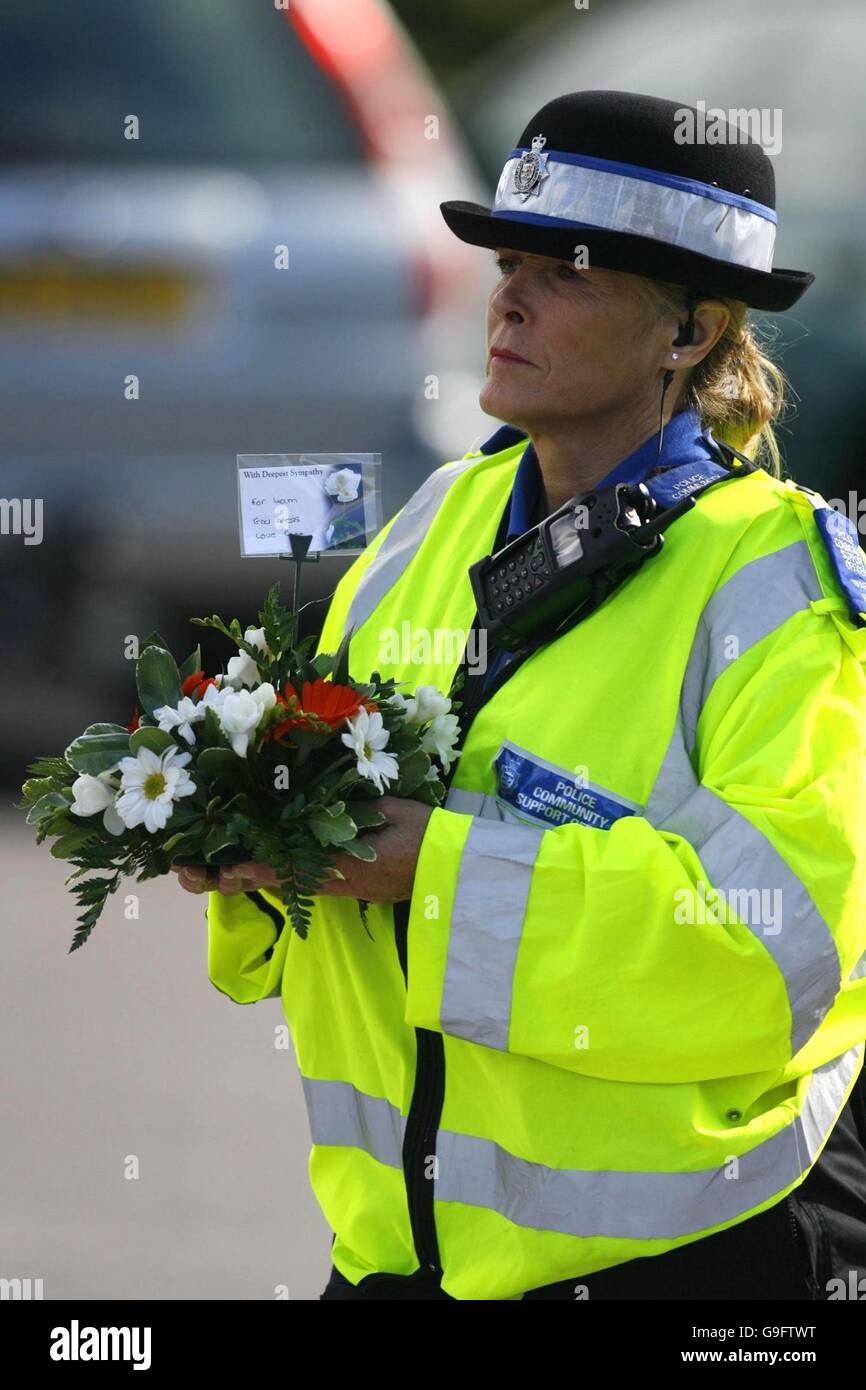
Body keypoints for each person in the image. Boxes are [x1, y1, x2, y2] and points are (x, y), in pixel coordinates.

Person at [174, 91, 866, 1301]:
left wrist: (428, 872)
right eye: (506, 262)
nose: (507, 298)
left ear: (689, 331)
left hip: (696, 1261)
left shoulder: (779, 582)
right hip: (399, 1258)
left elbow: (775, 946)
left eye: (567, 274)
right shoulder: (426, 523)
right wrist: (244, 842)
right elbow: (315, 890)